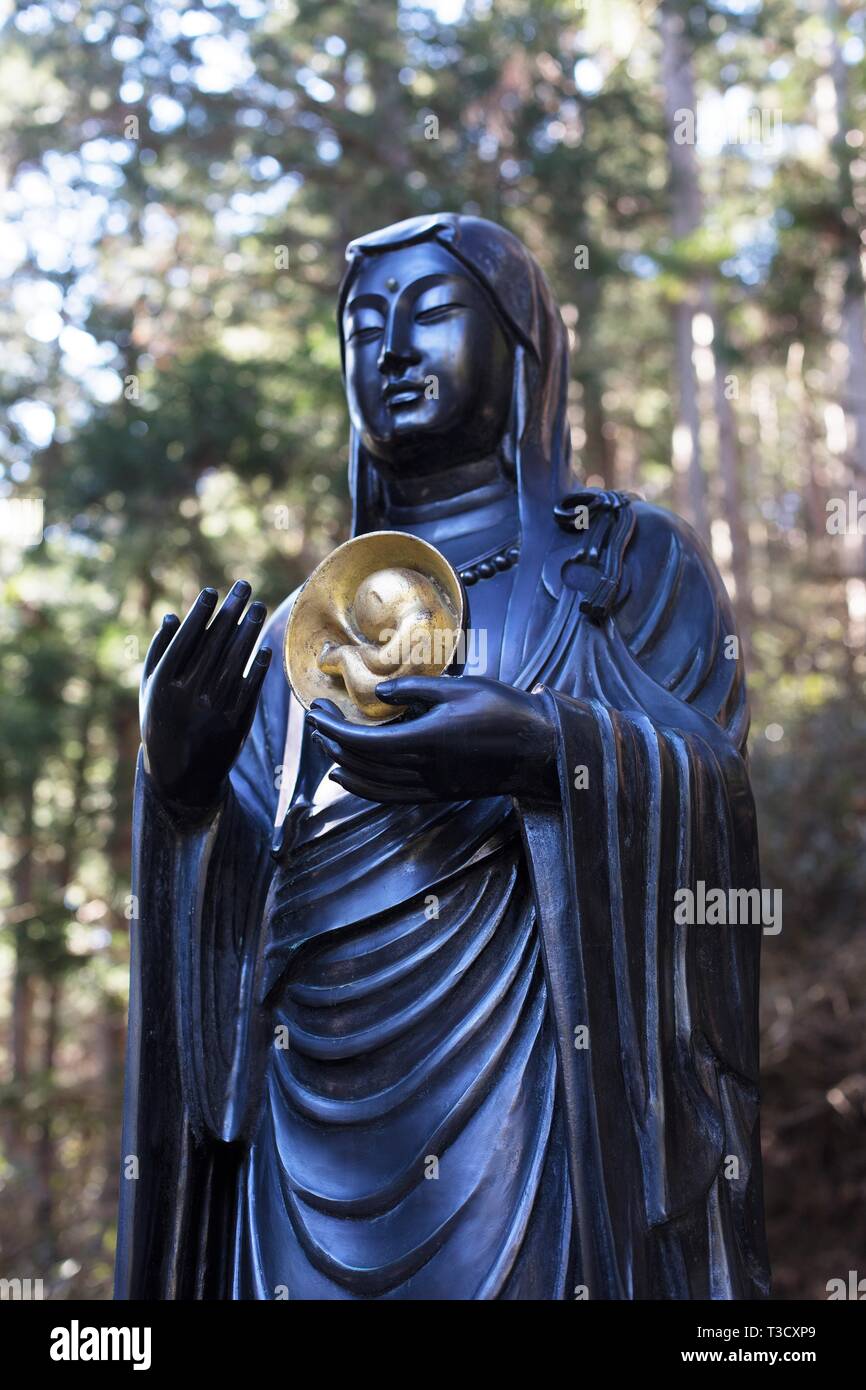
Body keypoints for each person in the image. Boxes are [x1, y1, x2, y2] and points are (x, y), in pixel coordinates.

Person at [116, 213, 770, 1300]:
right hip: (306, 1111)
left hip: (530, 1092)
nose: (390, 351)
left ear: (518, 342)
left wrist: (540, 748)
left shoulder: (612, 563)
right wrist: (182, 799)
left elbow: (710, 790)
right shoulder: (300, 628)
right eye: (362, 328)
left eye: (429, 313)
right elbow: (241, 897)